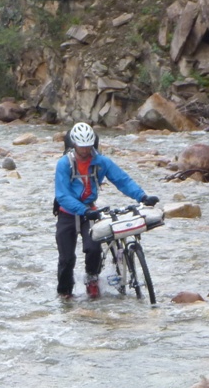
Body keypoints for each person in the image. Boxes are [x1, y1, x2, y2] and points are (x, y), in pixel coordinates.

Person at [54, 122, 159, 298]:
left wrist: (142, 197)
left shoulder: (101, 162)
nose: (85, 150)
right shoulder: (64, 164)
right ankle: (65, 295)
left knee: (94, 248)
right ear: (74, 144)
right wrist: (83, 210)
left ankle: (92, 278)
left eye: (88, 146)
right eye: (82, 146)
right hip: (67, 213)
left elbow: (122, 180)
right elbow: (62, 195)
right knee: (66, 259)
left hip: (90, 212)